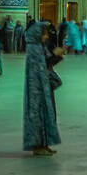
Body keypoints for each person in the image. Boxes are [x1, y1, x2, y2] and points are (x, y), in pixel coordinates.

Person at [23, 21, 62, 156]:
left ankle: (44, 144)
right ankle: (37, 146)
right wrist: (55, 55)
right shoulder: (33, 49)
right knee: (38, 116)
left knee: (48, 114)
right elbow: (41, 67)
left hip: (45, 87)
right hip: (37, 90)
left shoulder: (40, 47)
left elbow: (47, 64)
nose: (46, 37)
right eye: (43, 34)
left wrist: (57, 55)